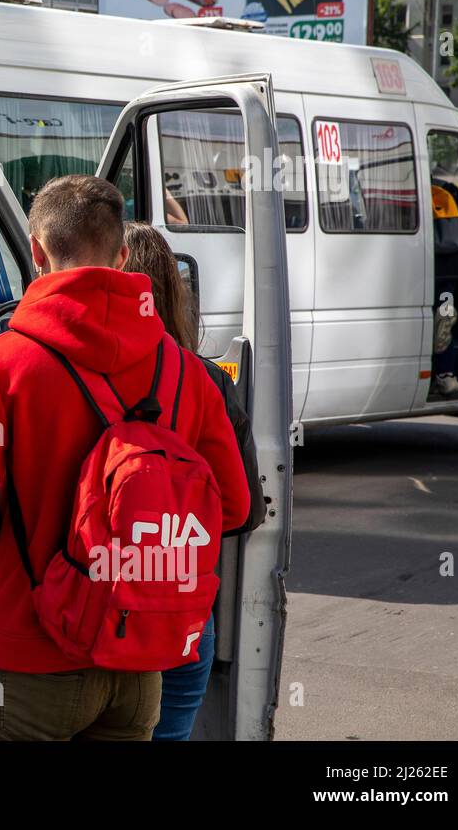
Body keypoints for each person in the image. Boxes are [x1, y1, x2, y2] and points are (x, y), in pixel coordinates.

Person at [0, 175, 249, 741]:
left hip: (28, 660)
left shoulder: (3, 364)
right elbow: (232, 507)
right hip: (136, 661)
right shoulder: (182, 370)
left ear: (35, 249)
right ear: (123, 255)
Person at [121, 221, 264, 740]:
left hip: (95, 612)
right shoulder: (202, 379)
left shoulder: (63, 369)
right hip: (182, 613)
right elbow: (241, 509)